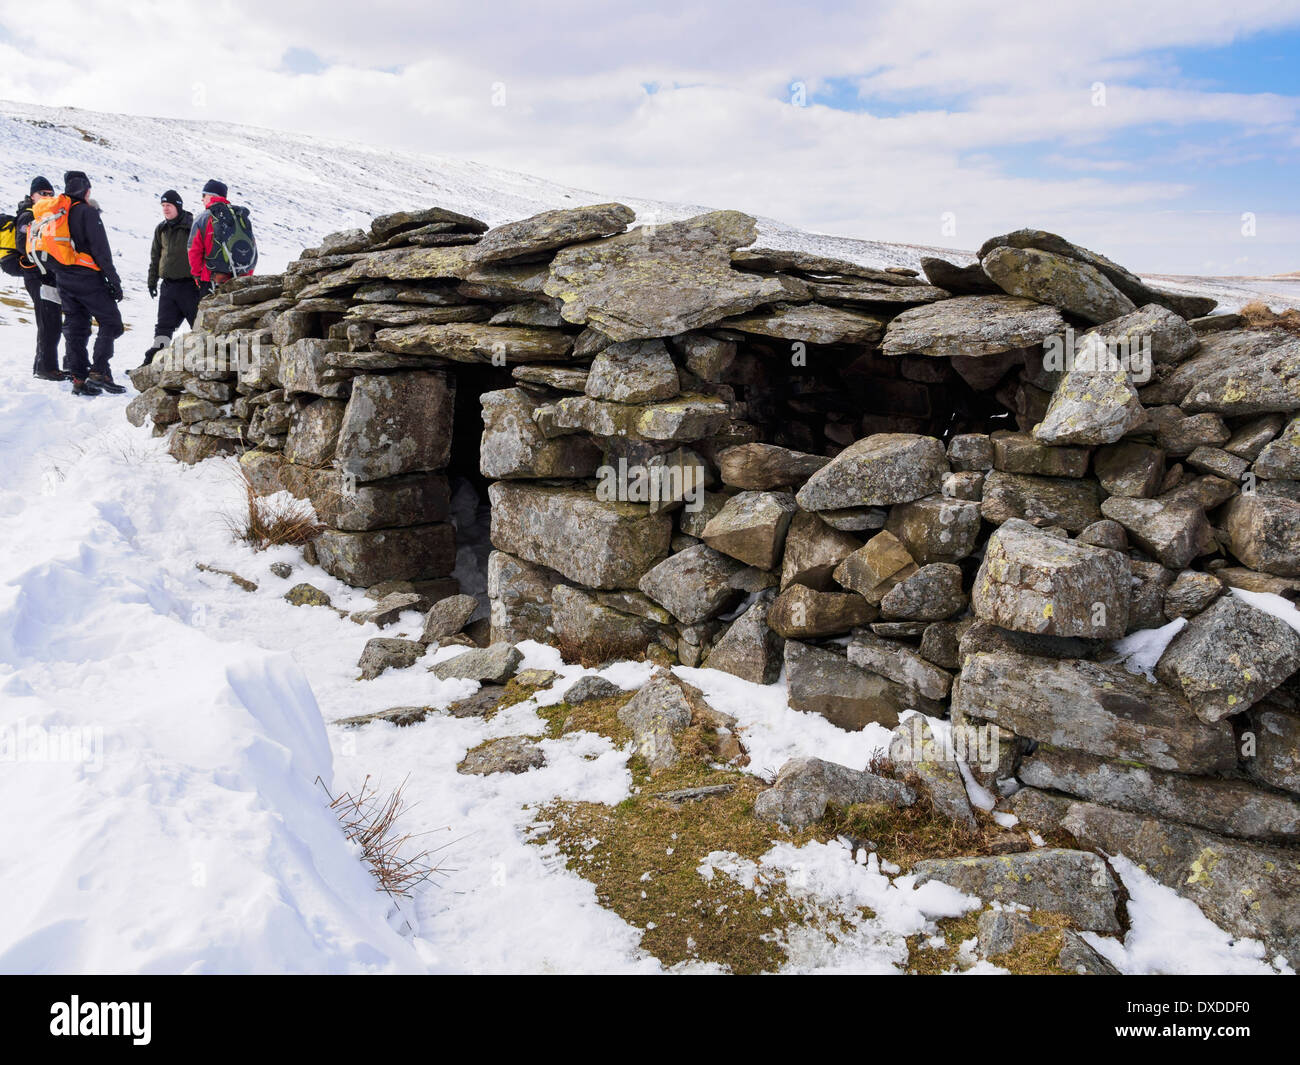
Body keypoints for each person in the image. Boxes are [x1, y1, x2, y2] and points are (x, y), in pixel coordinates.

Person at [38, 171, 125, 396]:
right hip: (87, 277)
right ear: (85, 190)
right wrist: (114, 281)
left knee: (76, 327)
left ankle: (78, 379)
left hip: (63, 278)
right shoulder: (87, 212)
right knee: (112, 322)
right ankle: (99, 371)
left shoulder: (60, 213)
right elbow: (101, 250)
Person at [14, 177, 65, 380]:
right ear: (32, 195)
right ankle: (46, 368)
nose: (47, 197)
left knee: (49, 320)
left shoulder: (45, 216)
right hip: (37, 275)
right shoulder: (28, 215)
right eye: (43, 193)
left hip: (45, 275)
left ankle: (43, 365)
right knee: (49, 320)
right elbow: (21, 244)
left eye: (50, 194)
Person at [142, 189, 198, 366]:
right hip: (168, 287)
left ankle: (204, 363)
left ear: (178, 206)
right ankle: (154, 363)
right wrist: (152, 281)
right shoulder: (161, 229)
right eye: (163, 205)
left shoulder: (192, 226)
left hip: (191, 287)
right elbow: (155, 257)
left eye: (169, 205)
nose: (165, 209)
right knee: (163, 327)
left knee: (199, 327)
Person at [187, 178, 257, 294]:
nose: (202, 199)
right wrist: (245, 274)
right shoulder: (238, 216)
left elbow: (194, 250)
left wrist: (197, 276)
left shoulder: (203, 218)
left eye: (204, 195)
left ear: (210, 196)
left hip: (211, 280)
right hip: (239, 278)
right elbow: (251, 247)